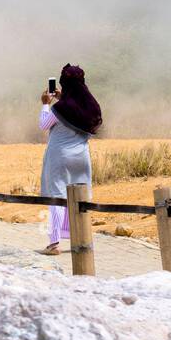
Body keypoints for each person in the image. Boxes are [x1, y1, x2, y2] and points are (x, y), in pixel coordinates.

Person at [38, 64, 103, 255]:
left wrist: (45, 103)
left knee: (57, 196)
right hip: (81, 157)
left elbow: (43, 124)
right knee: (80, 197)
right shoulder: (90, 107)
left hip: (60, 157)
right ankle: (81, 239)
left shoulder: (60, 109)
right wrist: (63, 99)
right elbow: (78, 115)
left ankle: (54, 244)